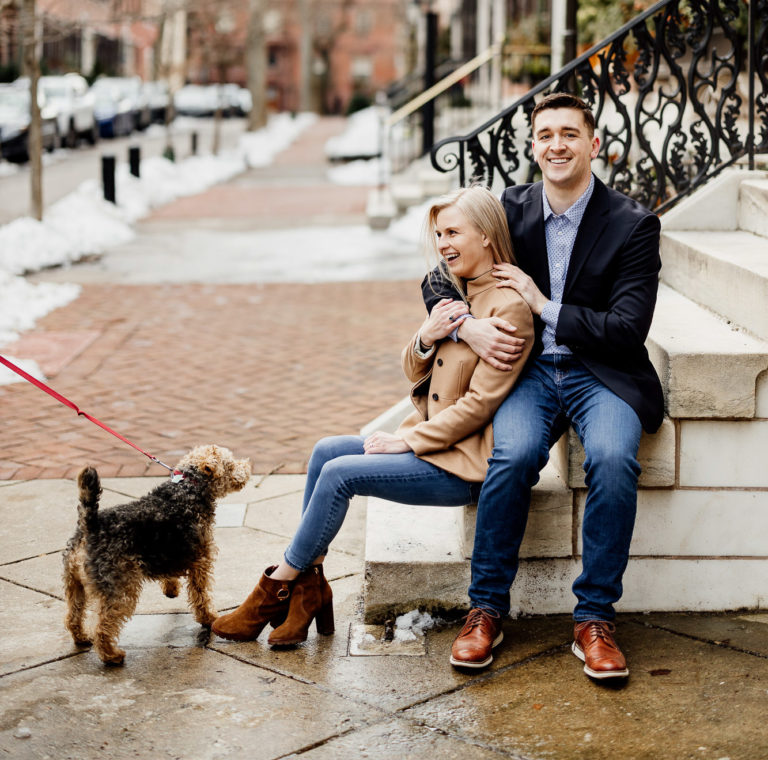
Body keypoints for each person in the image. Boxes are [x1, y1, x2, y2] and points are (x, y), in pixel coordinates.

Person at [212, 186, 535, 648]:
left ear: (485, 235)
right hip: (434, 445)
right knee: (326, 451)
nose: (443, 243)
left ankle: (278, 585)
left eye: (453, 232)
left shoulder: (509, 308)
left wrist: (408, 441)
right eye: (438, 234)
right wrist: (426, 337)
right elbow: (415, 371)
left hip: (461, 464)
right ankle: (310, 589)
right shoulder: (456, 291)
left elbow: (479, 404)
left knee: (340, 474)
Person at [424, 92, 663, 680]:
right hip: (527, 372)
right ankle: (485, 610)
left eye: (569, 134)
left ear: (593, 144)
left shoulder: (633, 224)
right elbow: (438, 273)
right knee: (511, 457)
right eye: (546, 135)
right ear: (533, 147)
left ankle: (594, 619)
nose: (557, 145)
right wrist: (467, 325)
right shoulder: (508, 210)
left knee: (612, 458)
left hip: (600, 372)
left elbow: (627, 329)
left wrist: (542, 304)